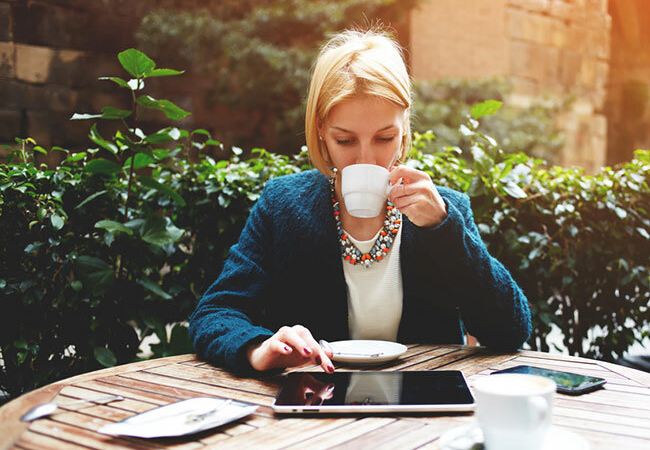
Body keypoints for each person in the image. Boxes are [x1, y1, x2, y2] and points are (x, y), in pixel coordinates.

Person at [189, 27, 532, 376]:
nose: (366, 159)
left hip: (424, 408)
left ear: (404, 127)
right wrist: (257, 348)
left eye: (385, 138)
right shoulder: (282, 206)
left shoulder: (445, 211)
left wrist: (443, 228)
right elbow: (215, 312)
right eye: (346, 140)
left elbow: (510, 330)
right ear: (321, 129)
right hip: (315, 408)